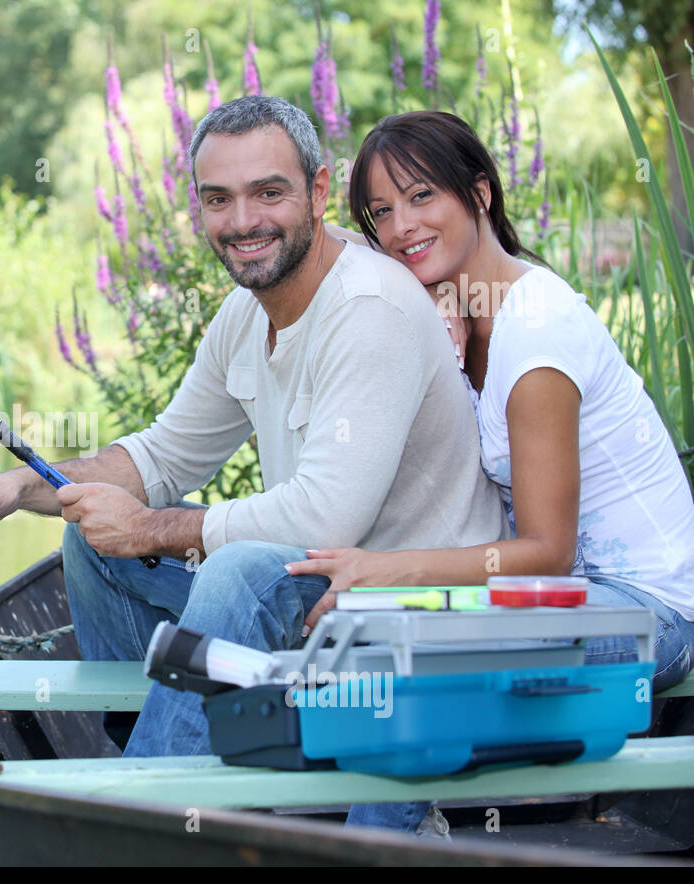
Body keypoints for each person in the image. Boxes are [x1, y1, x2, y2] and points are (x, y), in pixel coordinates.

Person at [0, 96, 505, 773]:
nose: (243, 222)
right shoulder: (245, 314)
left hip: (417, 613)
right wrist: (18, 487)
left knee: (239, 571)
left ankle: (152, 800)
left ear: (319, 191)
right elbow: (163, 455)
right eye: (218, 199)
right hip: (321, 601)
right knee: (92, 547)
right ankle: (173, 755)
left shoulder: (367, 308)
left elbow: (326, 518)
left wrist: (151, 528)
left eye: (269, 193)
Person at [285, 110, 694, 831]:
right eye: (380, 212)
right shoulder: (466, 313)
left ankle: (387, 839)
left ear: (478, 193)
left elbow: (546, 552)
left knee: (426, 658)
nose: (400, 227)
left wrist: (387, 570)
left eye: (420, 198)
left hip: (648, 612)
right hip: (567, 598)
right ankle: (383, 829)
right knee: (379, 640)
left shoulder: (536, 332)